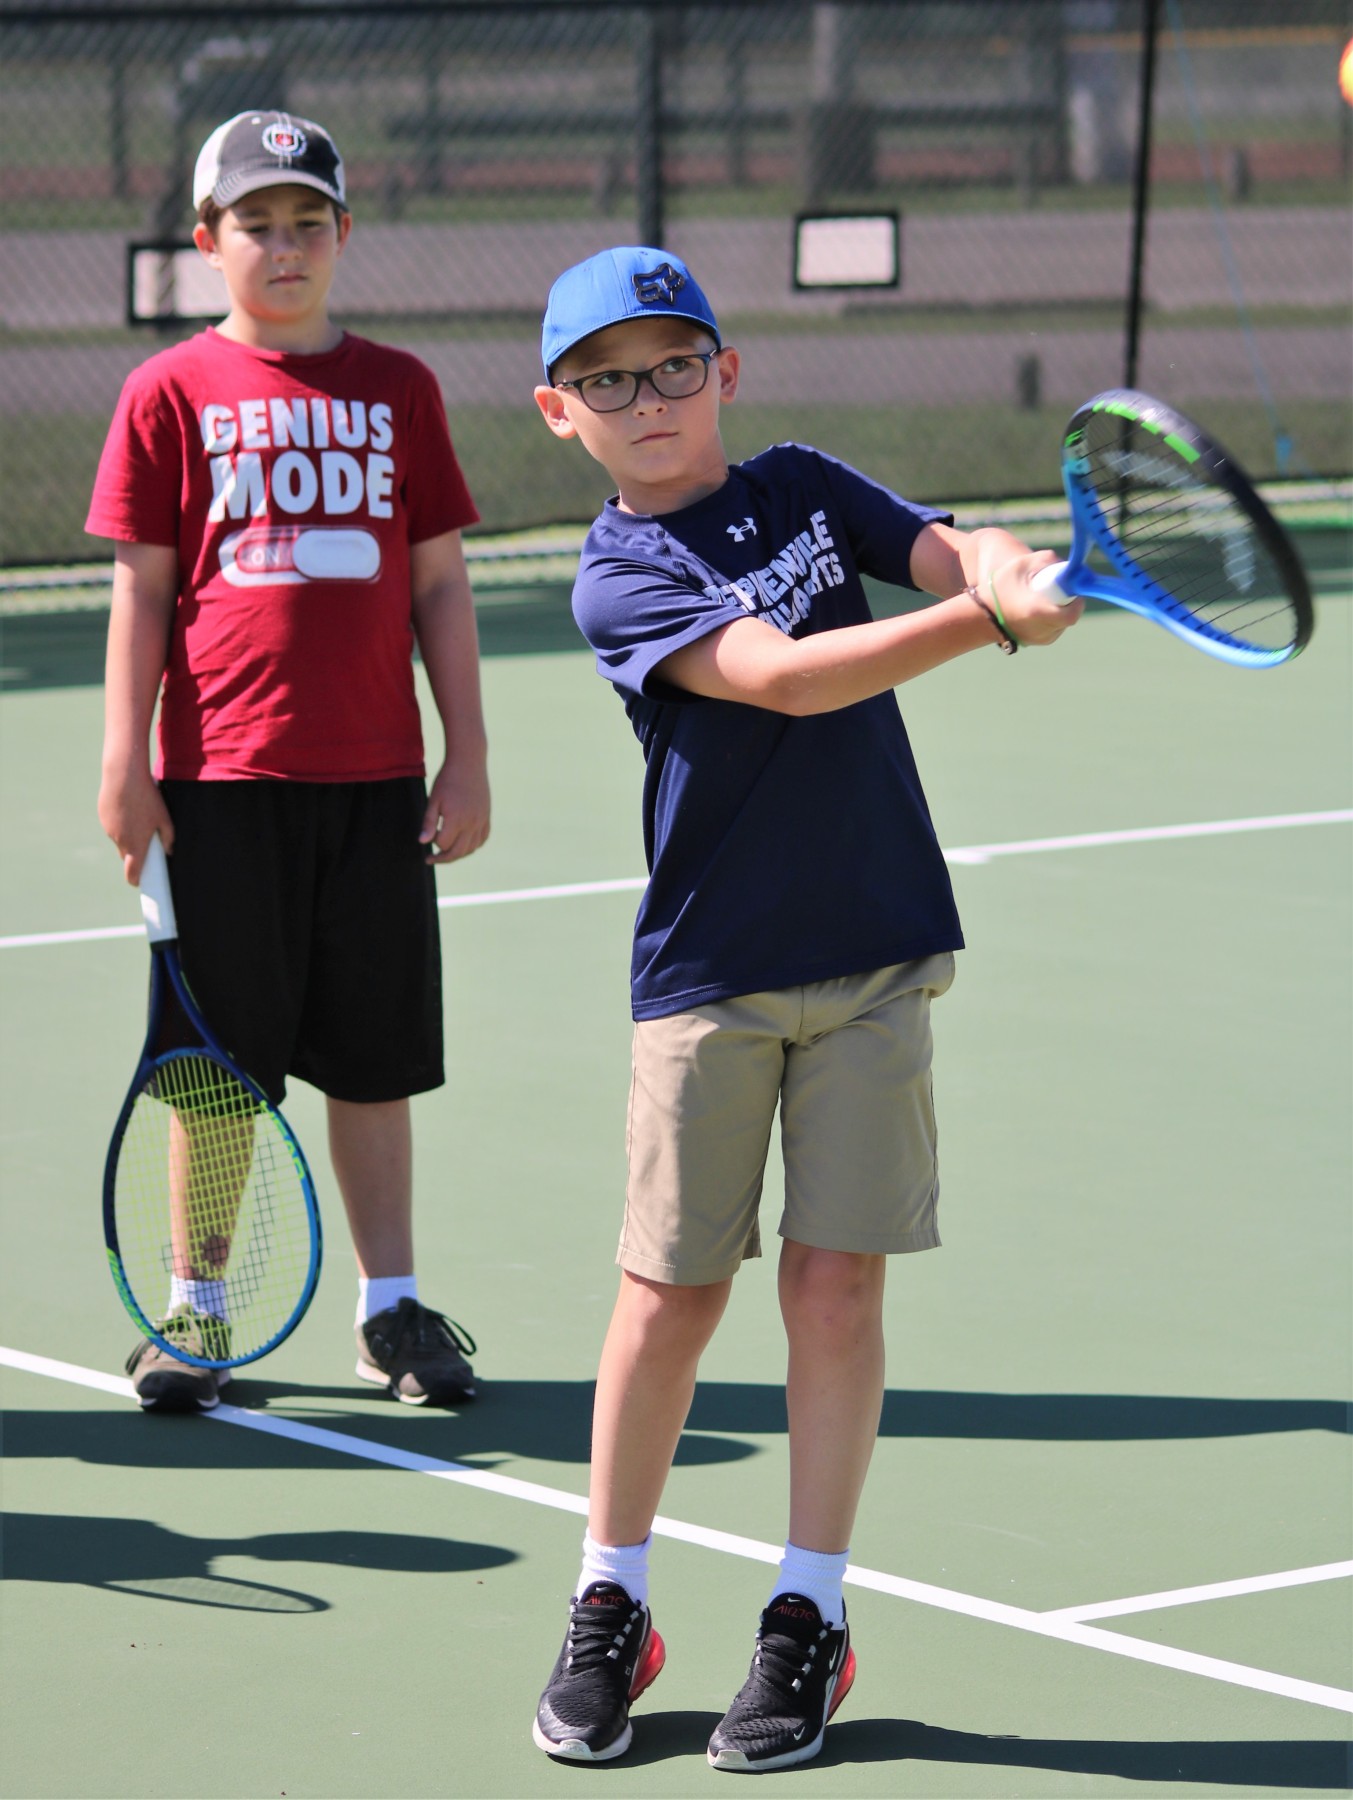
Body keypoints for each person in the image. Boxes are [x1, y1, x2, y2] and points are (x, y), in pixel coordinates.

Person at [526, 246, 1081, 1772]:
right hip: (707, 977)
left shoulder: (806, 485)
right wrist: (992, 627)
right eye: (605, 380)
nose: (646, 400)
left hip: (875, 957)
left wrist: (1002, 568)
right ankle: (610, 1597)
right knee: (667, 1300)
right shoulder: (617, 572)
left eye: (671, 364)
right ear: (559, 413)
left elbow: (938, 546)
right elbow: (777, 676)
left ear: (727, 370)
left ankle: (807, 1618)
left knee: (835, 1296)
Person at [87, 111, 491, 1413]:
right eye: (254, 225)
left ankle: (390, 1311)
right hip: (218, 785)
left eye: (306, 222)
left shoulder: (400, 390)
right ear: (206, 243)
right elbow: (143, 594)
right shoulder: (168, 392)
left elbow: (438, 585)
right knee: (215, 1073)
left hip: (375, 788)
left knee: (374, 1064)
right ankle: (197, 1310)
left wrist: (465, 750)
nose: (283, 245)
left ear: (343, 237)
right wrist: (122, 757)